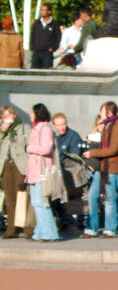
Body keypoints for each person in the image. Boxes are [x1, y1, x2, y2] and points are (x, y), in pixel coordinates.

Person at [83, 102, 118, 237]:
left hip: (112, 168)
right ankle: (92, 227)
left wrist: (93, 153)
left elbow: (113, 149)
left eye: (102, 112)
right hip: (102, 168)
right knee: (92, 196)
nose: (100, 115)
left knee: (110, 199)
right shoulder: (107, 126)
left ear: (109, 112)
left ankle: (110, 228)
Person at [25, 103, 60, 241]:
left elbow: (46, 149)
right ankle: (39, 232)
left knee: (41, 202)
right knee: (37, 203)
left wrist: (30, 148)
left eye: (32, 113)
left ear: (38, 114)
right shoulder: (36, 129)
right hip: (34, 172)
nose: (30, 115)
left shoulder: (44, 129)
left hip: (41, 172)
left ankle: (49, 233)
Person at [0, 105, 30, 238]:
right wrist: (2, 132)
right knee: (9, 199)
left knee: (22, 197)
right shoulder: (2, 131)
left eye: (8, 115)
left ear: (14, 115)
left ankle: (27, 227)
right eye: (3, 116)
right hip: (6, 165)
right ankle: (11, 229)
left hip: (20, 165)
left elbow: (29, 145)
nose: (6, 119)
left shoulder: (23, 127)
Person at [51, 113, 83, 230]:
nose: (61, 127)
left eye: (63, 124)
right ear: (54, 125)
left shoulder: (73, 136)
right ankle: (60, 216)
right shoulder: (53, 137)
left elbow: (74, 157)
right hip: (56, 171)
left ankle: (66, 217)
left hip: (69, 172)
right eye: (58, 125)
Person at [29, 3, 61, 69]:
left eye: (44, 10)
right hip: (36, 53)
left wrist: (53, 48)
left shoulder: (54, 24)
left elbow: (58, 37)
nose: (42, 12)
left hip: (47, 53)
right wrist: (32, 48)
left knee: (46, 73)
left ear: (49, 11)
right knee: (34, 73)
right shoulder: (36, 23)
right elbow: (32, 36)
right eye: (41, 10)